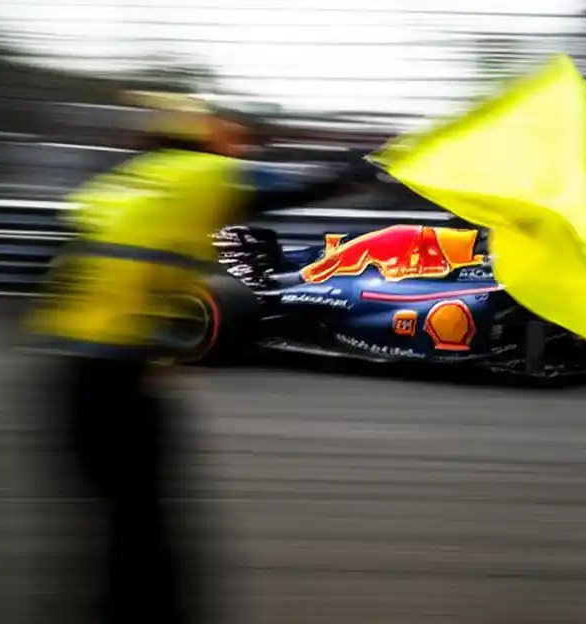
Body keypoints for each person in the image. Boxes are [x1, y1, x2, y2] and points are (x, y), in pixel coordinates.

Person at [25, 92, 380, 624]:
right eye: (224, 136)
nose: (234, 146)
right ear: (201, 139)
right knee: (151, 534)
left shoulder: (115, 185)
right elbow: (305, 183)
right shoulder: (205, 175)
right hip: (122, 377)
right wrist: (359, 165)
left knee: (111, 527)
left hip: (65, 375)